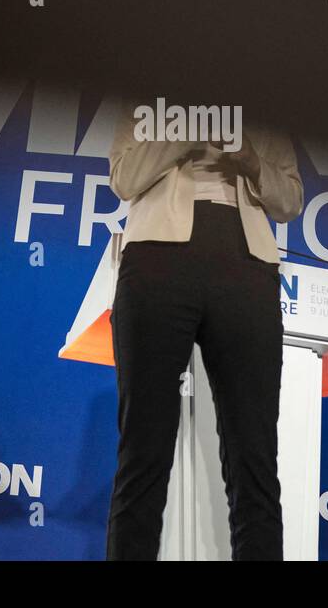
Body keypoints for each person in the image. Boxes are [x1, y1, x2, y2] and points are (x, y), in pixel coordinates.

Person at [105, 99, 304, 560]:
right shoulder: (144, 94)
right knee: (143, 452)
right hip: (157, 261)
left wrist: (250, 158)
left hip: (246, 264)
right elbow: (124, 177)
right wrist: (190, 130)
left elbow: (290, 200)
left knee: (254, 458)